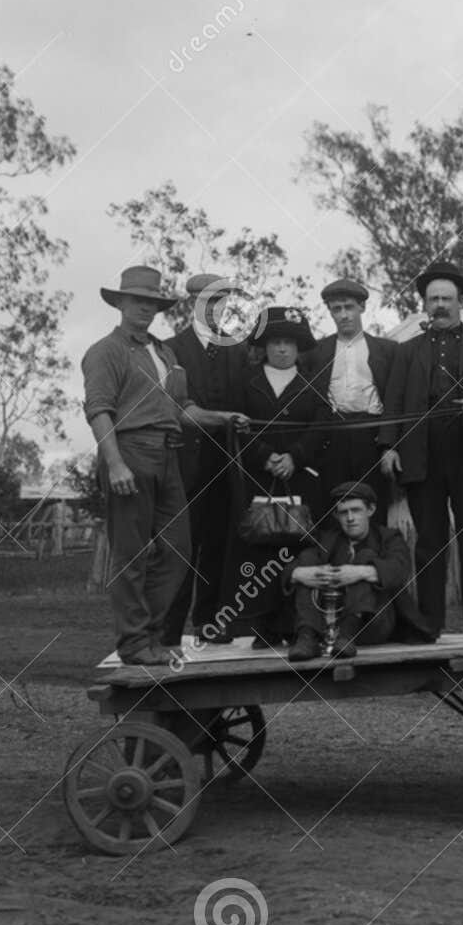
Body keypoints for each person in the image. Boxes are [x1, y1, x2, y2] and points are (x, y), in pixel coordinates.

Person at [81, 266, 248, 666]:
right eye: (137, 301)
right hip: (130, 453)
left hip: (168, 455)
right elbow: (99, 411)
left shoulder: (164, 352)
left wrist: (223, 417)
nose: (145, 309)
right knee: (131, 555)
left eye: (152, 302)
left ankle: (152, 636)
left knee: (178, 550)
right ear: (120, 303)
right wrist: (116, 464)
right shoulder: (106, 351)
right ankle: (134, 643)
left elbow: (182, 409)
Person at [379, 263, 463, 639]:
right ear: (425, 305)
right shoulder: (406, 351)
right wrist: (389, 446)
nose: (440, 305)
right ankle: (429, 622)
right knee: (429, 540)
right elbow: (394, 401)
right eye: (434, 299)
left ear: (462, 301)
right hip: (420, 452)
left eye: (447, 298)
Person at [231, 305, 330, 647]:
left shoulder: (313, 384)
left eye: (289, 342)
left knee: (295, 548)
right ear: (265, 346)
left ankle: (297, 626)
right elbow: (238, 428)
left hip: (300, 479)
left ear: (298, 347)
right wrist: (264, 456)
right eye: (275, 342)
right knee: (260, 550)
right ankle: (262, 629)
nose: (282, 349)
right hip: (259, 479)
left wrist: (295, 457)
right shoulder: (246, 383)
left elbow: (322, 427)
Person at [163, 272, 251, 645]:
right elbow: (175, 409)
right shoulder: (169, 349)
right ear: (190, 303)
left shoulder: (239, 351)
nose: (212, 307)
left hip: (226, 465)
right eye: (204, 299)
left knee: (219, 545)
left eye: (219, 300)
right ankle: (167, 630)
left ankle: (210, 623)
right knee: (182, 548)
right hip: (184, 466)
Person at [287, 481, 437, 661]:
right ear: (336, 515)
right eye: (343, 512)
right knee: (306, 561)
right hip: (330, 623)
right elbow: (293, 566)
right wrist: (300, 574)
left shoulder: (389, 538)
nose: (350, 518)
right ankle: (307, 636)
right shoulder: (328, 539)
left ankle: (347, 635)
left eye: (356, 510)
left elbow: (399, 571)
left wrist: (360, 571)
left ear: (370, 510)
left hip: (373, 623)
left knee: (366, 556)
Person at [303, 277, 398, 516]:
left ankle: (374, 554)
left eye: (349, 307)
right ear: (330, 313)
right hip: (333, 438)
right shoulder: (316, 352)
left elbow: (396, 401)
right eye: (337, 309)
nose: (344, 315)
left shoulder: (387, 350)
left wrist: (389, 444)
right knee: (333, 507)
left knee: (373, 507)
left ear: (362, 308)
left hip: (372, 438)